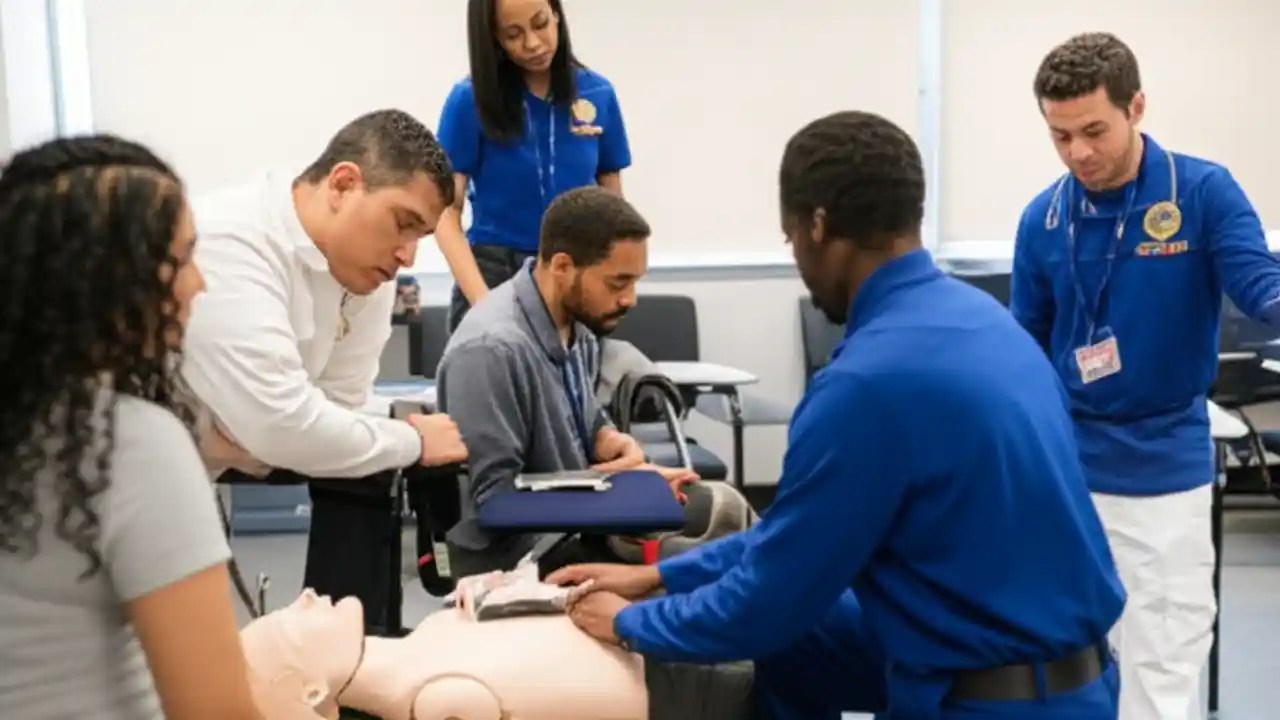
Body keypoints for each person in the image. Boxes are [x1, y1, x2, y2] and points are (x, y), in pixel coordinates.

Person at [549, 111, 1128, 719]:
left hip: (985, 701)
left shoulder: (864, 387)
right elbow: (793, 539)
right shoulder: (987, 324)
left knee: (775, 628)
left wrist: (632, 623)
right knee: (808, 641)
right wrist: (661, 578)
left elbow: (767, 603)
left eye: (791, 237)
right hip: (1068, 676)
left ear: (818, 226)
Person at [1010, 32, 1280, 720]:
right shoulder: (1043, 219)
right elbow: (1023, 348)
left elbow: (1260, 285)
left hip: (1163, 466)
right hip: (1069, 468)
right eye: (1060, 136)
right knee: (1069, 652)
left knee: (1163, 652)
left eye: (1094, 130)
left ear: (1136, 106)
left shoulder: (1200, 191)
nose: (1079, 154)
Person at [0, 136, 263, 718]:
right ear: (104, 281)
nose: (200, 283)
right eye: (182, 259)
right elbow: (216, 712)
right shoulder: (126, 443)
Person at [180, 109, 469, 633]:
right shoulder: (234, 240)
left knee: (366, 459)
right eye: (402, 224)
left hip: (190, 469)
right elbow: (281, 425)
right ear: (343, 184)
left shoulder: (363, 273)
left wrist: (275, 428)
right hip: (92, 488)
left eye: (421, 236)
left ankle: (349, 658)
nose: (407, 255)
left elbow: (335, 411)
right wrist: (411, 440)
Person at [435, 186, 755, 578]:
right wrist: (622, 488)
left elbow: (585, 420)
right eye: (618, 283)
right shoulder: (491, 350)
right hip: (525, 556)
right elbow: (497, 503)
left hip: (579, 523)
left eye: (635, 282)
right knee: (722, 543)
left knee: (727, 510)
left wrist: (608, 440)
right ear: (563, 266)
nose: (630, 299)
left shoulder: (576, 328)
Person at [240, 585, 754, 720]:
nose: (303, 597)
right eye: (292, 625)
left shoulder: (420, 642)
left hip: (646, 635)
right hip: (675, 689)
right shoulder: (432, 701)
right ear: (311, 692)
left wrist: (502, 594)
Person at [436, 0, 633, 332]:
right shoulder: (468, 100)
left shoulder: (597, 92)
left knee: (575, 382)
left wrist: (613, 281)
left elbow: (612, 206)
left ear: (556, 14)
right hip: (496, 272)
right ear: (493, 38)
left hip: (575, 273)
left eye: (540, 24)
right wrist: (484, 303)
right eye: (513, 34)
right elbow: (445, 214)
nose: (533, 44)